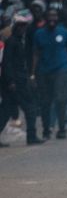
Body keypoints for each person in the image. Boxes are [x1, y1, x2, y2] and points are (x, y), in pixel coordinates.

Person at [31, 7, 67, 141]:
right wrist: (32, 73)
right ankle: (46, 129)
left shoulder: (64, 32)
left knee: (61, 99)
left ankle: (61, 128)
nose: (52, 19)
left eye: (54, 16)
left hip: (62, 69)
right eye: (49, 16)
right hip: (44, 71)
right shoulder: (39, 34)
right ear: (45, 18)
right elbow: (36, 54)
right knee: (45, 101)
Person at [0, 10, 42, 145]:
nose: (22, 28)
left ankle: (32, 136)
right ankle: (31, 136)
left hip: (17, 81)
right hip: (16, 82)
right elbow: (7, 63)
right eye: (20, 26)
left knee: (6, 111)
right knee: (29, 109)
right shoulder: (12, 42)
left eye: (24, 26)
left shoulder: (20, 41)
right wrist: (11, 81)